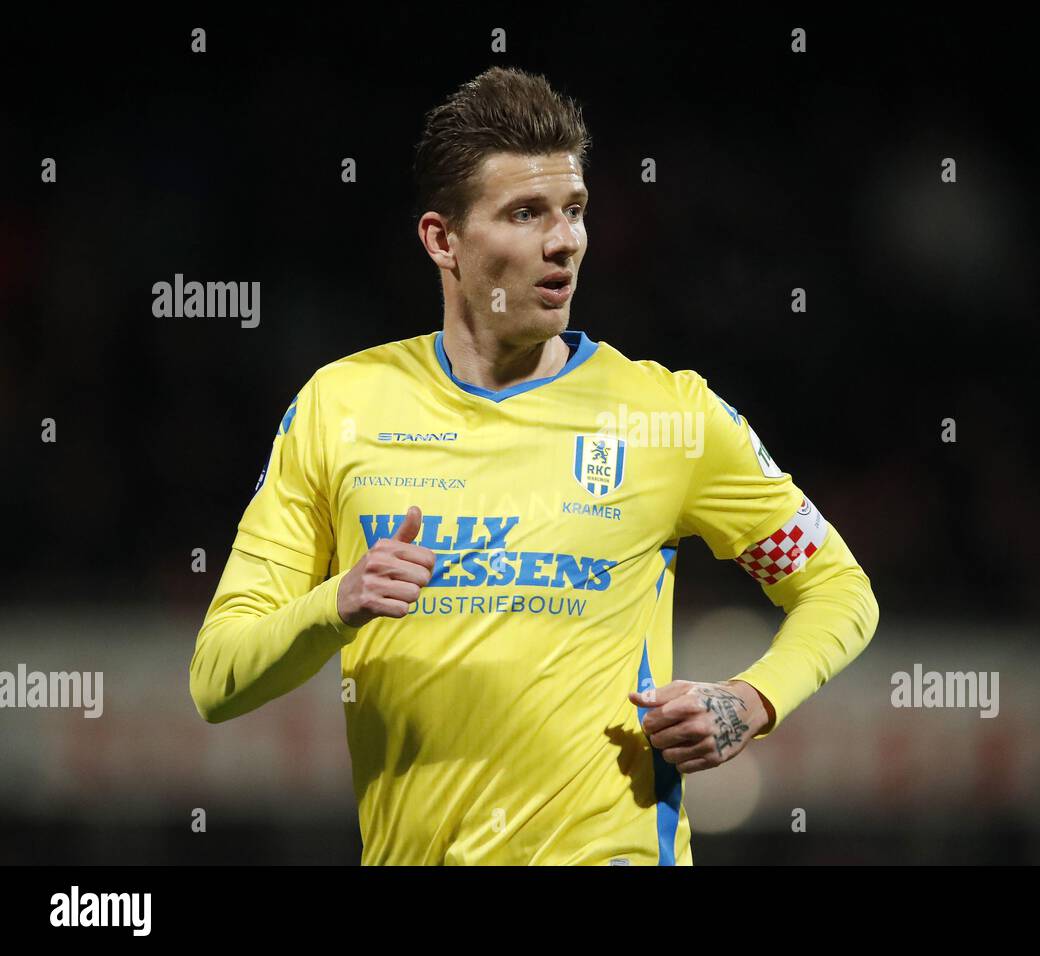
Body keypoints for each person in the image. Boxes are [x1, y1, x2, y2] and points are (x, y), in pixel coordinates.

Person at [190, 66, 880, 865]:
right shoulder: (338, 409)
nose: (565, 241)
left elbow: (838, 589)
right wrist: (335, 605)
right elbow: (217, 679)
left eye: (575, 211)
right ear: (442, 240)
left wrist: (752, 700)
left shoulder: (670, 416)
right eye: (527, 213)